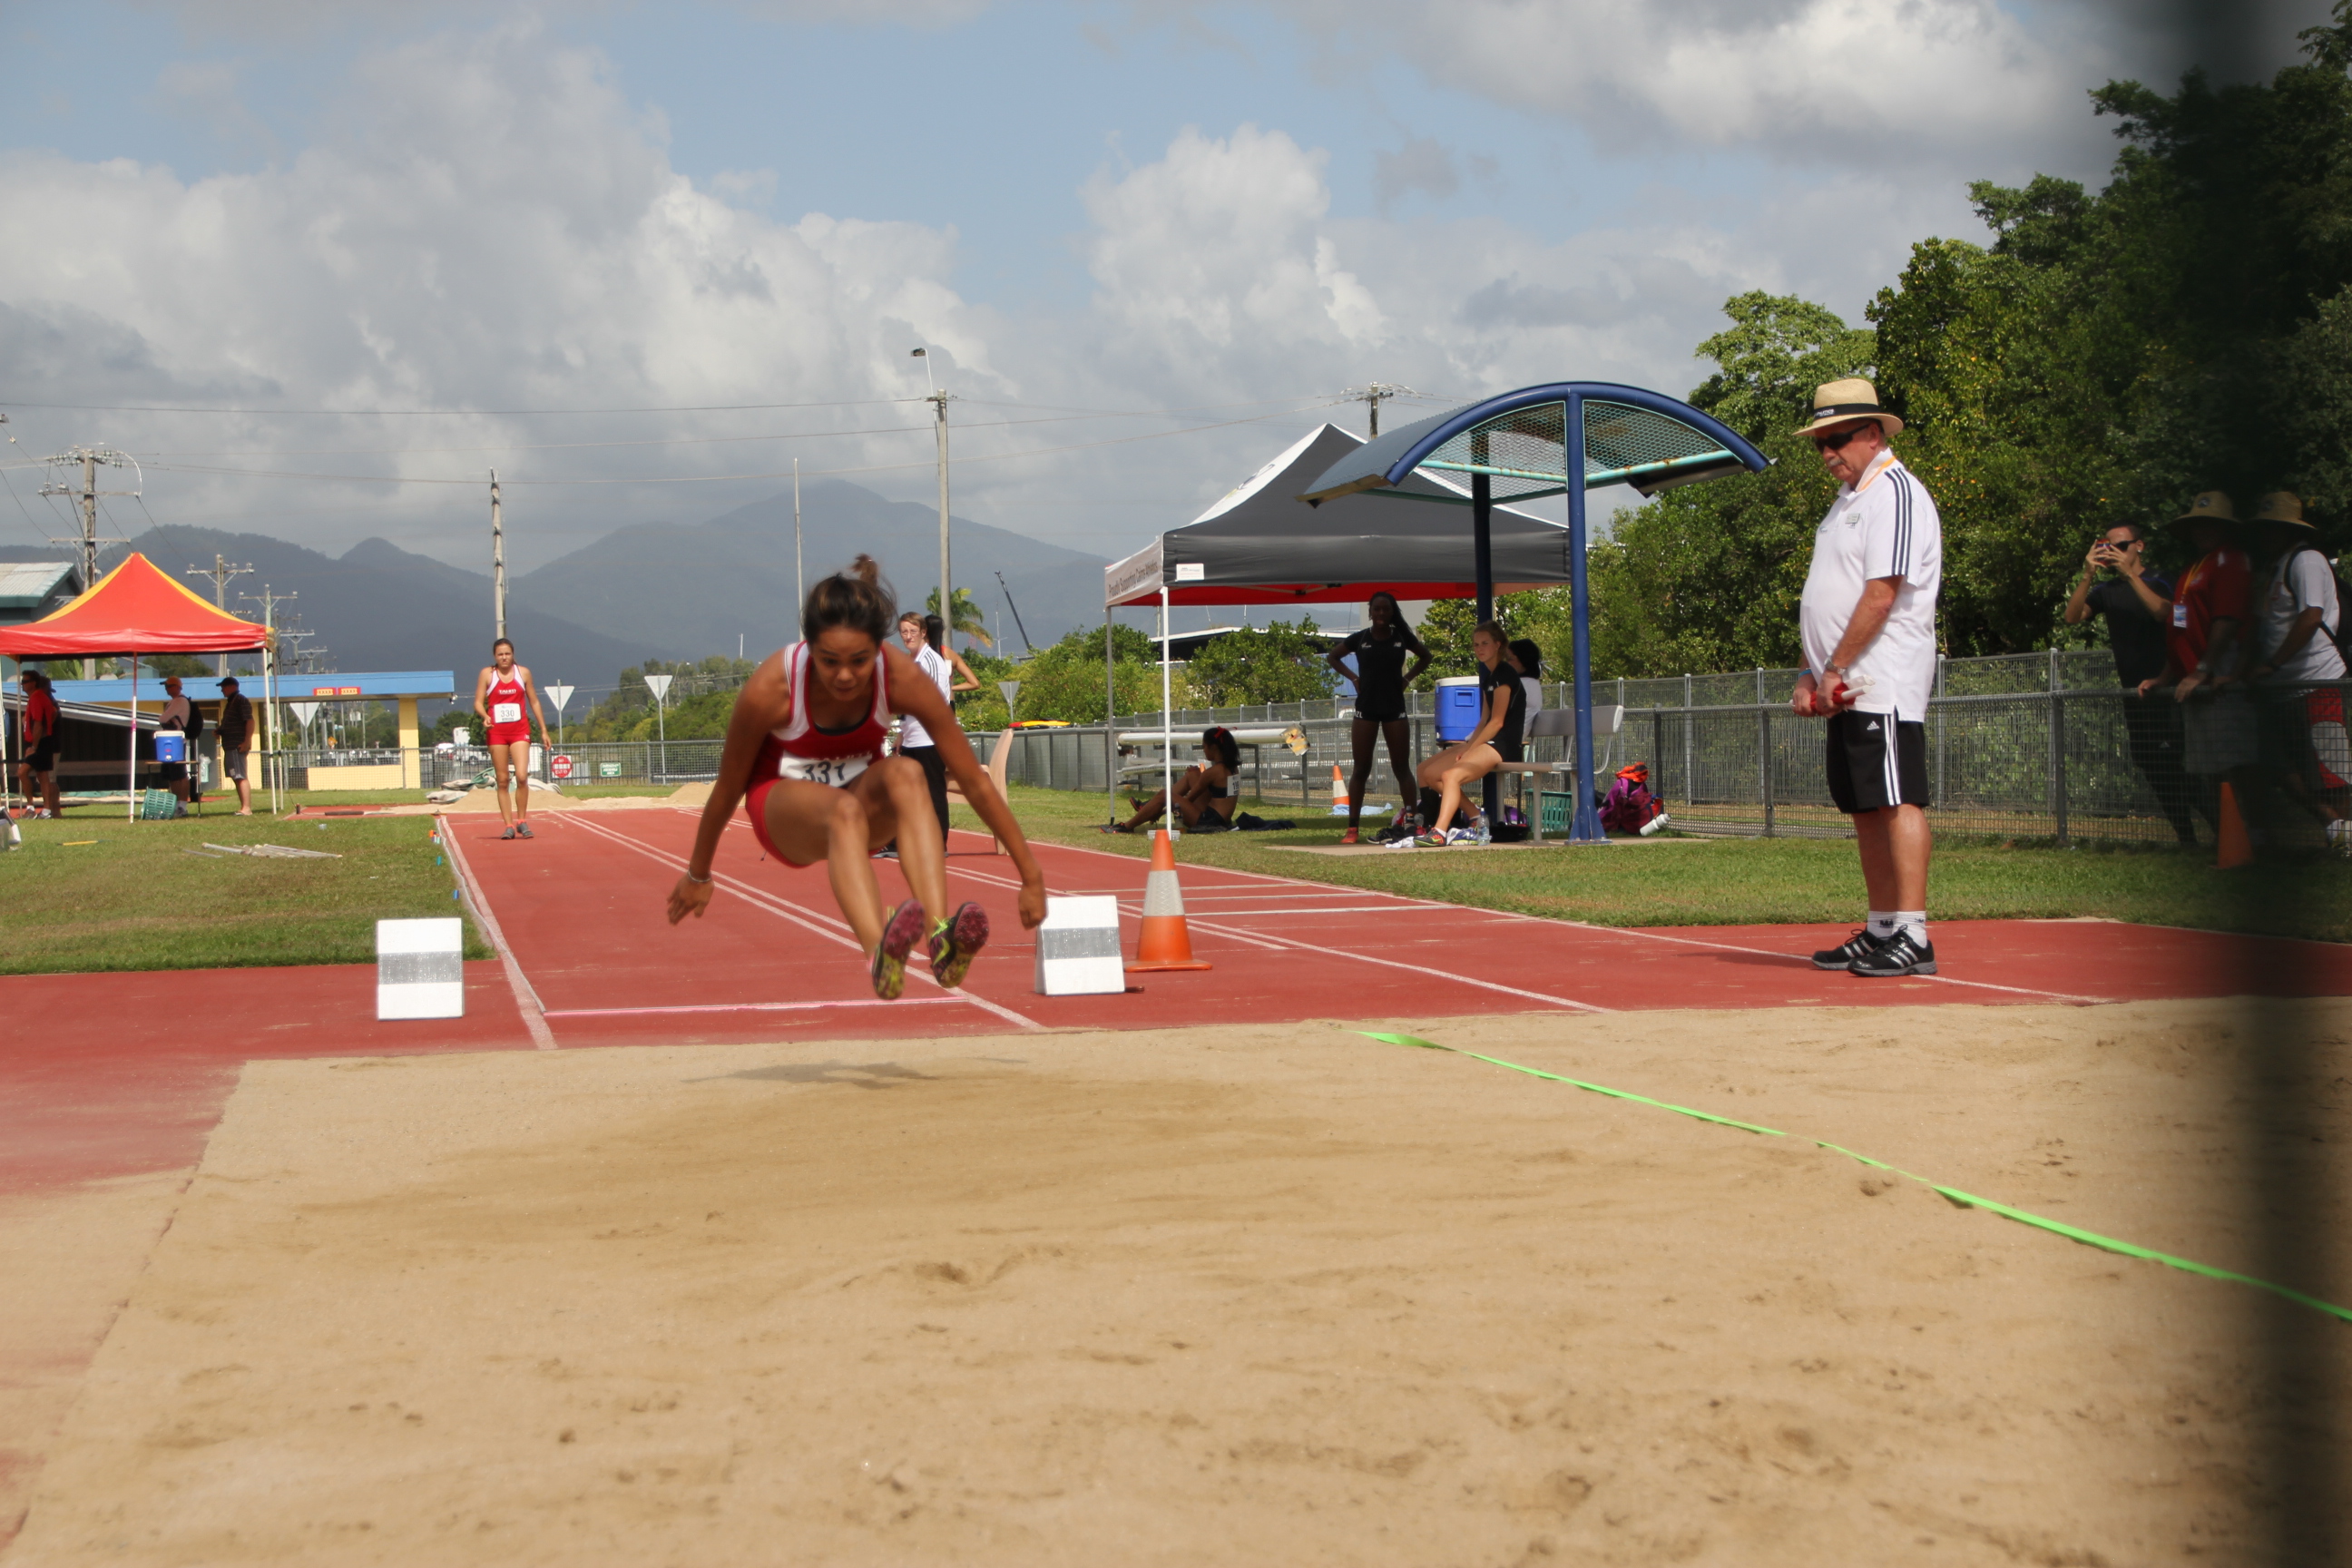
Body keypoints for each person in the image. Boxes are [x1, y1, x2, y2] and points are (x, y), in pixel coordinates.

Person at [665, 555, 1045, 1000]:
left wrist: (1031, 875)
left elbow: (974, 780)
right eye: (829, 661)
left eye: (860, 661)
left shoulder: (900, 676)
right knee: (842, 810)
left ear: (879, 650)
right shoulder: (772, 688)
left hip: (860, 804)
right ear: (809, 648)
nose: (845, 676)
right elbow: (728, 790)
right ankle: (880, 954)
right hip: (784, 812)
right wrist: (698, 874)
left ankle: (941, 938)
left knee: (907, 772)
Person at [1788, 378, 1944, 978]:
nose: (1828, 452)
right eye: (1819, 443)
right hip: (1844, 681)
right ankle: (1882, 928)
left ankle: (1913, 933)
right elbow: (1829, 596)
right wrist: (1812, 671)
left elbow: (1882, 594)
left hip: (1882, 678)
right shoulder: (1845, 503)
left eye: (1838, 439)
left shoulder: (1895, 492)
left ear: (1873, 434)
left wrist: (1835, 667)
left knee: (1897, 799)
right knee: (1865, 805)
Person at [2063, 520, 2196, 844]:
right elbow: (2072, 617)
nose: (2115, 552)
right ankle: (2187, 838)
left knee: (2183, 766)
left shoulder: (2161, 579)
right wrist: (2088, 574)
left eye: (2121, 546)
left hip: (2170, 688)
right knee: (2151, 764)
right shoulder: (2106, 591)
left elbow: (2164, 614)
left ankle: (2224, 833)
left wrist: (2131, 576)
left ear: (2139, 546)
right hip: (2135, 693)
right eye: (2108, 547)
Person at [2139, 492, 2258, 840]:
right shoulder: (2193, 568)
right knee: (2212, 766)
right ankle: (2233, 839)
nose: (2203, 530)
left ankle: (2252, 837)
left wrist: (2204, 669)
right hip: (2192, 679)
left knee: (2233, 761)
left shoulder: (2231, 560)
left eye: (2211, 524)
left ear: (2226, 527)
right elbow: (2181, 628)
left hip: (2216, 673)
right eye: (2198, 525)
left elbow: (2228, 620)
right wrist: (2165, 675)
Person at [2243, 493, 2350, 848]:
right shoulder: (2274, 567)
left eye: (2274, 527)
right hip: (2284, 687)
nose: (2266, 534)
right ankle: (2335, 827)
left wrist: (2272, 664)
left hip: (2318, 679)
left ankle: (2345, 838)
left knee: (2332, 770)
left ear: (2291, 529)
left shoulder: (2307, 560)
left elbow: (2311, 616)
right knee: (2280, 764)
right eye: (2263, 528)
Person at [1397, 621, 1524, 848]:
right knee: (1427, 772)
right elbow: (1483, 720)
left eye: (1485, 643)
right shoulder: (1489, 676)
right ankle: (1474, 817)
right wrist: (1468, 745)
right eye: (1476, 644)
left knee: (1450, 776)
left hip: (1503, 745)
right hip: (1488, 741)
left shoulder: (1505, 674)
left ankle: (1439, 832)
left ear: (1498, 644)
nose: (1479, 649)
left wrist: (1470, 749)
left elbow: (1497, 722)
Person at [1326, 593, 1430, 843]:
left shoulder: (1401, 637)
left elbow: (1426, 657)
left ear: (1392, 612)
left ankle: (1413, 824)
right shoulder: (1361, 638)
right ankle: (1352, 828)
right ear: (1370, 611)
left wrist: (1407, 679)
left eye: (1386, 609)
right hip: (1366, 710)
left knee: (1401, 767)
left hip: (1394, 709)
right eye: (1377, 609)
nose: (1381, 614)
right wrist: (1354, 678)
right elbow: (1332, 656)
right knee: (1361, 768)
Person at [885, 610, 956, 857]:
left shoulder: (931, 660)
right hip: (912, 738)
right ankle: (897, 842)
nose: (908, 636)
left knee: (933, 791)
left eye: (913, 631)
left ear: (923, 632)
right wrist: (902, 733)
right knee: (903, 790)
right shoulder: (911, 661)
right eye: (904, 632)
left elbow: (933, 698)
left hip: (930, 739)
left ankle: (938, 843)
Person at [472, 638, 550, 841]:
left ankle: (522, 820)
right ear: (495, 656)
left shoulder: (523, 673)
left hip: (519, 731)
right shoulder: (487, 674)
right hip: (497, 733)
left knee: (522, 776)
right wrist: (485, 716)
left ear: (513, 654)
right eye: (500, 654)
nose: (504, 658)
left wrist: (543, 730)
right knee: (503, 780)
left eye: (507, 654)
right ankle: (508, 825)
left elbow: (534, 701)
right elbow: (478, 702)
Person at [1109, 726, 1240, 833]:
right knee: (1193, 774)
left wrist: (1161, 812)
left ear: (1214, 747)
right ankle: (1148, 806)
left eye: (1204, 747)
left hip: (1210, 821)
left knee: (1165, 795)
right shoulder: (1232, 768)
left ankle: (1128, 826)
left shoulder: (1213, 772)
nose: (1204, 751)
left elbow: (1189, 799)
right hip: (1221, 818)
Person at [16, 668, 62, 818]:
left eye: (25, 681)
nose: (22, 684)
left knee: (22, 772)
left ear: (34, 683)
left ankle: (31, 807)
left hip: (40, 743)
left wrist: (34, 746)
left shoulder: (37, 698)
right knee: (43, 776)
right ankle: (47, 810)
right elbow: (53, 712)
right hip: (43, 741)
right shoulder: (40, 698)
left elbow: (38, 723)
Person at [216, 674, 256, 816]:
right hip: (230, 745)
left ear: (232, 687)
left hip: (237, 745)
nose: (222, 690)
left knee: (240, 776)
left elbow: (250, 721)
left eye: (224, 687)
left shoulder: (240, 700)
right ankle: (243, 807)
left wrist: (247, 741)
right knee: (236, 776)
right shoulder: (232, 702)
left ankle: (247, 808)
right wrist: (220, 730)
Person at [156, 675, 194, 807]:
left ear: (177, 687)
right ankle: (177, 803)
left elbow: (162, 718)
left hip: (175, 741)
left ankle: (182, 804)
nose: (166, 689)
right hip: (172, 740)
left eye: (169, 686)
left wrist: (165, 719)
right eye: (166, 686)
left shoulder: (179, 701)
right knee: (173, 775)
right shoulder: (177, 701)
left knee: (179, 775)